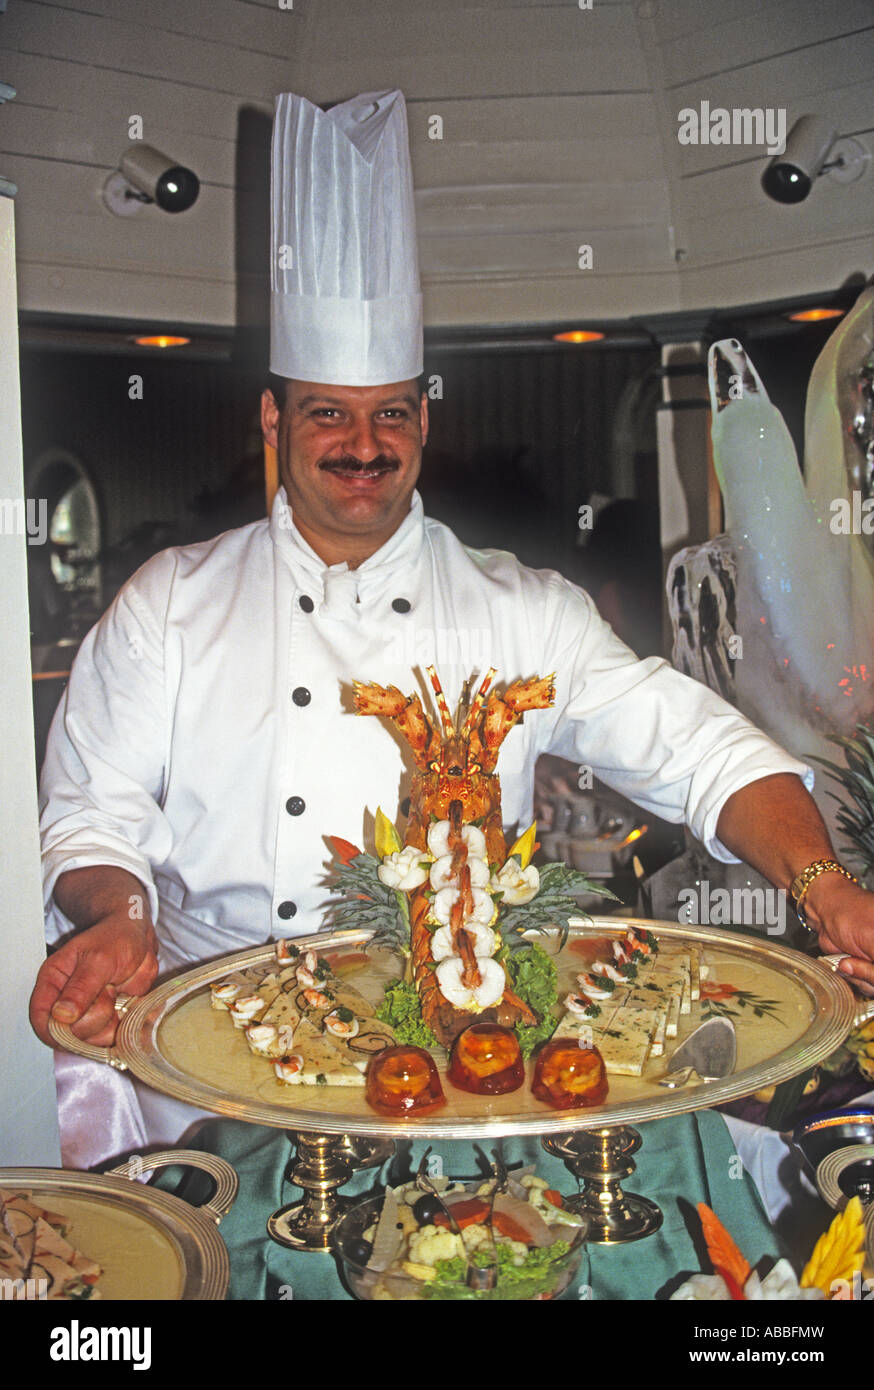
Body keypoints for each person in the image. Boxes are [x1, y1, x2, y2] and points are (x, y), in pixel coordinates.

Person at [29, 91, 874, 1160]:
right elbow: (91, 816)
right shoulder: (169, 600)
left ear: (423, 420)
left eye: (390, 410)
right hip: (212, 1058)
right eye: (327, 411)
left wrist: (824, 883)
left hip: (457, 1078)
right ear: (273, 422)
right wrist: (118, 914)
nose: (362, 441)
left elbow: (697, 753)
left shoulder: (521, 609)